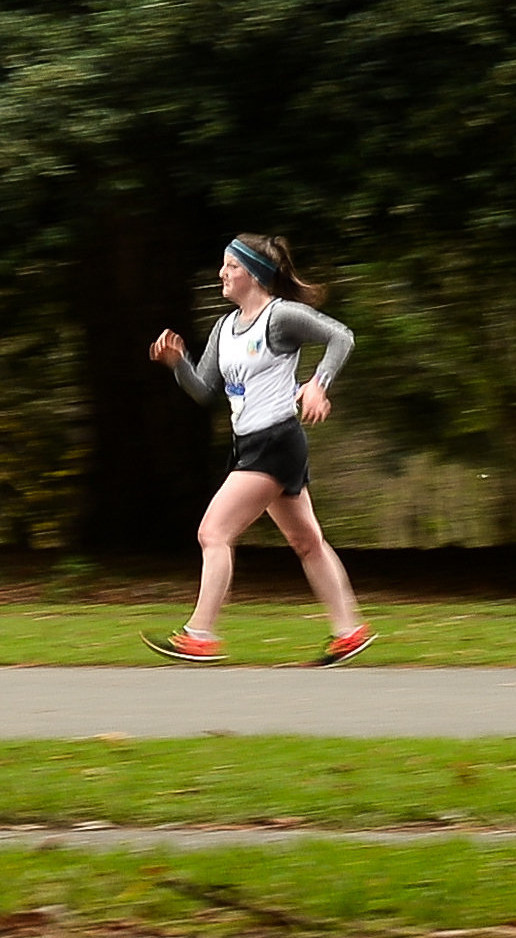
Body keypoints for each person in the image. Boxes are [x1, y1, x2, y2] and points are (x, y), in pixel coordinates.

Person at [142, 233, 374, 666]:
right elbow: (204, 390)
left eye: (230, 266)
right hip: (250, 444)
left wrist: (318, 385)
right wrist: (178, 366)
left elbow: (341, 337)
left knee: (213, 533)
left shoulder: (280, 317)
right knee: (307, 541)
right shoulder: (224, 328)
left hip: (276, 441)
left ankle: (201, 634)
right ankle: (349, 631)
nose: (222, 274)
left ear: (251, 273)